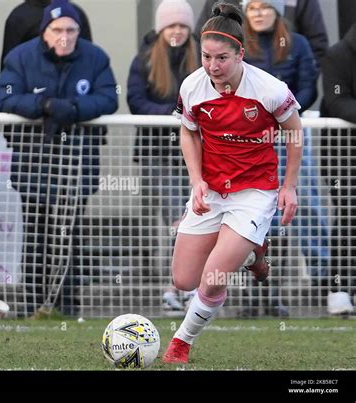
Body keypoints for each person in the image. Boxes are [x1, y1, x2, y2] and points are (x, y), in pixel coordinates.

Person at [161, 3, 303, 364]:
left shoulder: (269, 89)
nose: (212, 66)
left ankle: (181, 343)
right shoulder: (194, 86)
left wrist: (289, 187)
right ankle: (255, 251)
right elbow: (188, 132)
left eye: (221, 58)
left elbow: (294, 131)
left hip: (256, 191)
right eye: (206, 56)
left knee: (213, 277)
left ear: (240, 53)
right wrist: (196, 183)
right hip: (213, 189)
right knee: (183, 280)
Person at [0, 0, 118, 316]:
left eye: (70, 30)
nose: (64, 36)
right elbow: (5, 97)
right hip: (33, 160)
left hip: (78, 161)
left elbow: (108, 98)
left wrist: (75, 109)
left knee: (69, 234)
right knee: (36, 235)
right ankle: (33, 304)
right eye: (57, 30)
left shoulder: (95, 58)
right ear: (44, 32)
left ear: (79, 31)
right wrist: (43, 104)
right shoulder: (20, 58)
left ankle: (67, 305)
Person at [242, 0, 327, 316]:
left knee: (306, 207)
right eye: (252, 6)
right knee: (257, 213)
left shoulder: (298, 43)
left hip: (290, 137)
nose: (260, 12)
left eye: (266, 6)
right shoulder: (239, 47)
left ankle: (323, 281)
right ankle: (259, 288)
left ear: (277, 11)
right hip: (251, 141)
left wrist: (284, 115)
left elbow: (308, 88)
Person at [127, 0, 199, 312]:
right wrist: (172, 114)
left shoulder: (202, 56)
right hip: (156, 154)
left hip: (197, 154)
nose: (178, 31)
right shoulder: (144, 59)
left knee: (197, 220)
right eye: (172, 25)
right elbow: (135, 100)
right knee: (179, 221)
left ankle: (186, 287)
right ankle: (179, 286)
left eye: (183, 25)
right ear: (161, 28)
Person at [319, 22, 356, 314]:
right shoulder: (338, 54)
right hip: (342, 157)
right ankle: (339, 288)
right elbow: (337, 100)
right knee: (348, 216)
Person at [194, 0, 328, 66]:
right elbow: (202, 40)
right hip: (234, 100)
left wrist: (292, 98)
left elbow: (317, 44)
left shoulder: (299, 43)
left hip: (287, 100)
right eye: (252, 9)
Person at [1, 0, 92, 69]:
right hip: (32, 87)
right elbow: (9, 67)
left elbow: (88, 58)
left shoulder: (76, 14)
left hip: (74, 84)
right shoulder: (19, 17)